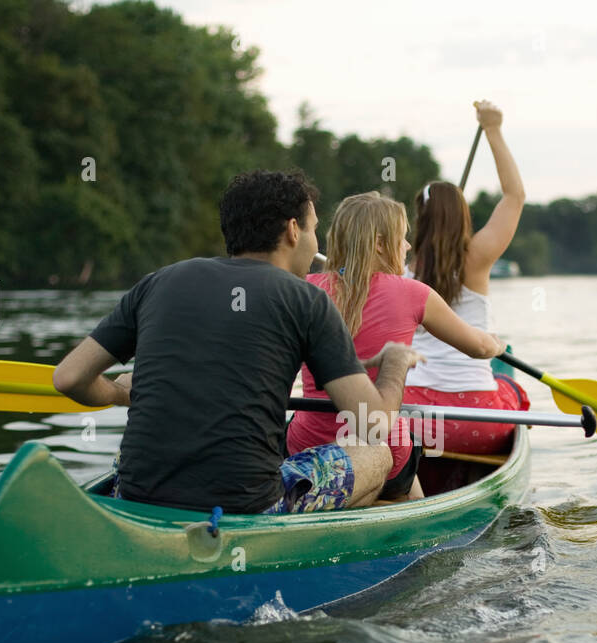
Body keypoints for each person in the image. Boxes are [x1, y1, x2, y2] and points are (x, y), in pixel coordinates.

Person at [51, 170, 422, 514]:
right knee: (374, 453)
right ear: (293, 230)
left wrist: (119, 392)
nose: (315, 244)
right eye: (313, 230)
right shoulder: (306, 299)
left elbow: (68, 377)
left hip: (136, 494)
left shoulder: (158, 282)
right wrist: (393, 364)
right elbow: (372, 423)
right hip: (247, 504)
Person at [288, 192, 506, 501]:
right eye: (402, 238)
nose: (406, 247)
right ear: (379, 243)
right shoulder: (415, 293)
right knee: (413, 493)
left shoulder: (304, 289)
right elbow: (479, 348)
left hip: (308, 444)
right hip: (385, 448)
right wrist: (497, 344)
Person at [403, 99, 530, 455]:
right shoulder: (477, 257)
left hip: (415, 421)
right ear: (463, 215)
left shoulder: (399, 269)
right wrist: (493, 129)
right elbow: (514, 196)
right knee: (512, 389)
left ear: (420, 218)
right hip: (478, 420)